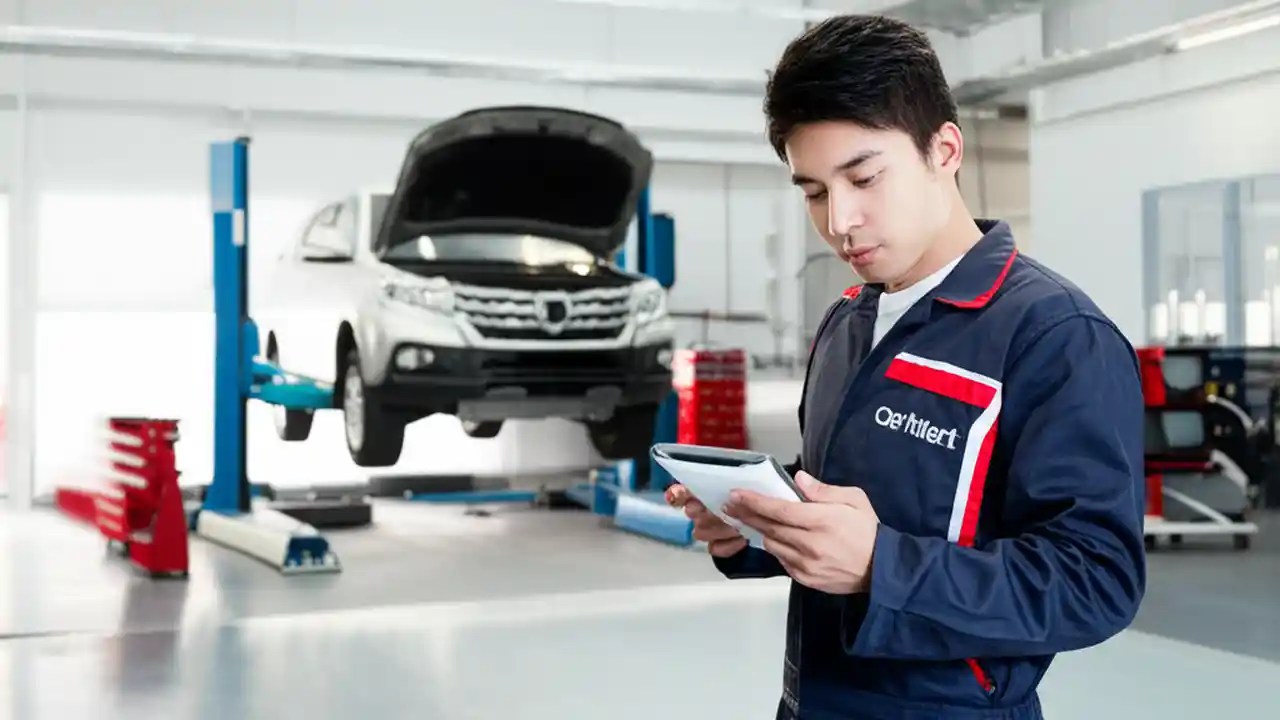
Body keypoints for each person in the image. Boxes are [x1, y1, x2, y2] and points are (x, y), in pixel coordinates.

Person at [665, 14, 1147, 720]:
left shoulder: (1053, 335)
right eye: (815, 192)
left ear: (943, 150)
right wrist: (754, 532)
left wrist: (880, 566)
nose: (840, 221)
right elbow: (844, 500)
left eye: (864, 178)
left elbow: (1096, 582)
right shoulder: (846, 322)